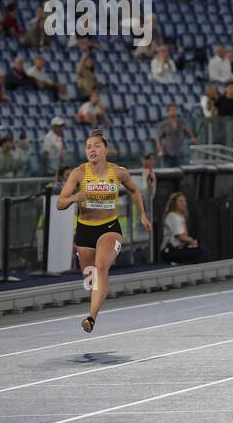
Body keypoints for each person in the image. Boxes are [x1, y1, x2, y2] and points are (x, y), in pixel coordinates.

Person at [56, 129, 150, 333]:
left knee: (101, 267)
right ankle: (102, 289)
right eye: (88, 146)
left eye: (97, 145)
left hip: (109, 228)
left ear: (106, 150)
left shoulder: (117, 172)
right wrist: (74, 198)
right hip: (84, 230)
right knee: (91, 280)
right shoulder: (79, 172)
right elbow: (60, 203)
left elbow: (134, 189)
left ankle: (91, 317)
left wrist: (142, 214)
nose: (92, 149)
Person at [159, 192, 208, 264]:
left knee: (202, 251)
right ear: (174, 203)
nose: (183, 203)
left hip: (179, 248)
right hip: (169, 250)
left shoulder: (181, 217)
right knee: (200, 253)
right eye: (180, 201)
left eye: (184, 201)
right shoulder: (172, 216)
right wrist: (192, 241)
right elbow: (181, 237)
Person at [154, 102, 196, 168]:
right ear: (168, 112)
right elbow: (158, 139)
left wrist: (192, 137)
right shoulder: (163, 125)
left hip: (179, 152)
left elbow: (188, 132)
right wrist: (160, 150)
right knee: (168, 173)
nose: (173, 112)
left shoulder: (181, 122)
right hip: (167, 153)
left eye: (174, 110)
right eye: (171, 110)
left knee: (180, 172)